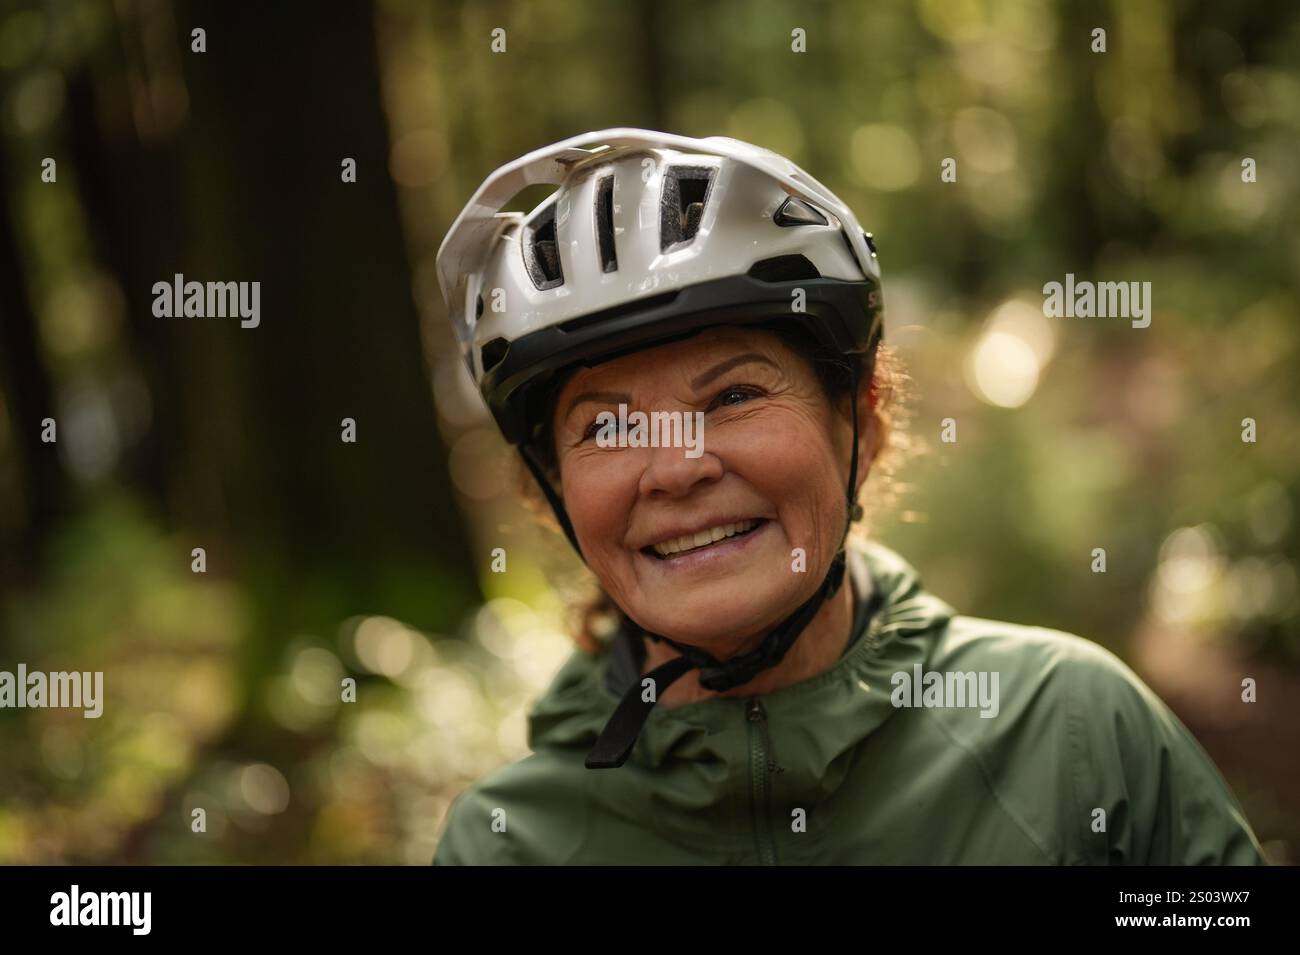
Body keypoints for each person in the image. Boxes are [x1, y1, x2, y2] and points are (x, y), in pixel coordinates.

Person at [430, 129, 1266, 865]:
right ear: (554, 495)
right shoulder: (504, 843)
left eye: (732, 398)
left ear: (864, 427)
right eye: (607, 429)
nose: (675, 467)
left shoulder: (1078, 732)